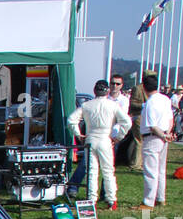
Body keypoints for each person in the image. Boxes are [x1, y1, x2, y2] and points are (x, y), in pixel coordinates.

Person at [66, 79, 131, 210]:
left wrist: (78, 134)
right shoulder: (113, 105)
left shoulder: (86, 105)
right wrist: (118, 137)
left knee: (92, 171)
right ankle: (112, 200)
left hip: (90, 139)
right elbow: (127, 122)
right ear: (107, 92)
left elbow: (71, 120)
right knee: (108, 171)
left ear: (95, 91)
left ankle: (91, 199)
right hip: (105, 139)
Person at [132, 74, 174, 210]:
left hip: (152, 137)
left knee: (151, 171)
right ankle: (161, 198)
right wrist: (167, 134)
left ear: (143, 87)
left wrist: (162, 135)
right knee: (161, 169)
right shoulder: (165, 99)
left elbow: (152, 125)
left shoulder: (150, 103)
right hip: (163, 136)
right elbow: (170, 119)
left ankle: (148, 201)